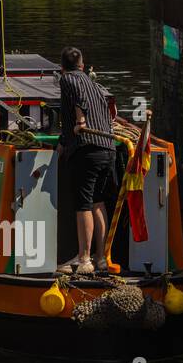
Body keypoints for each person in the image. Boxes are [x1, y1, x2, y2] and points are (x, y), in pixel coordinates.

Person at [56, 47, 116, 277]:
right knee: (98, 202)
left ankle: (84, 259)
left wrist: (80, 120)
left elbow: (78, 97)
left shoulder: (68, 79)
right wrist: (62, 145)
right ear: (83, 64)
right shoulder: (96, 86)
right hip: (107, 150)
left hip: (87, 149)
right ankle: (102, 257)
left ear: (62, 68)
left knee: (83, 204)